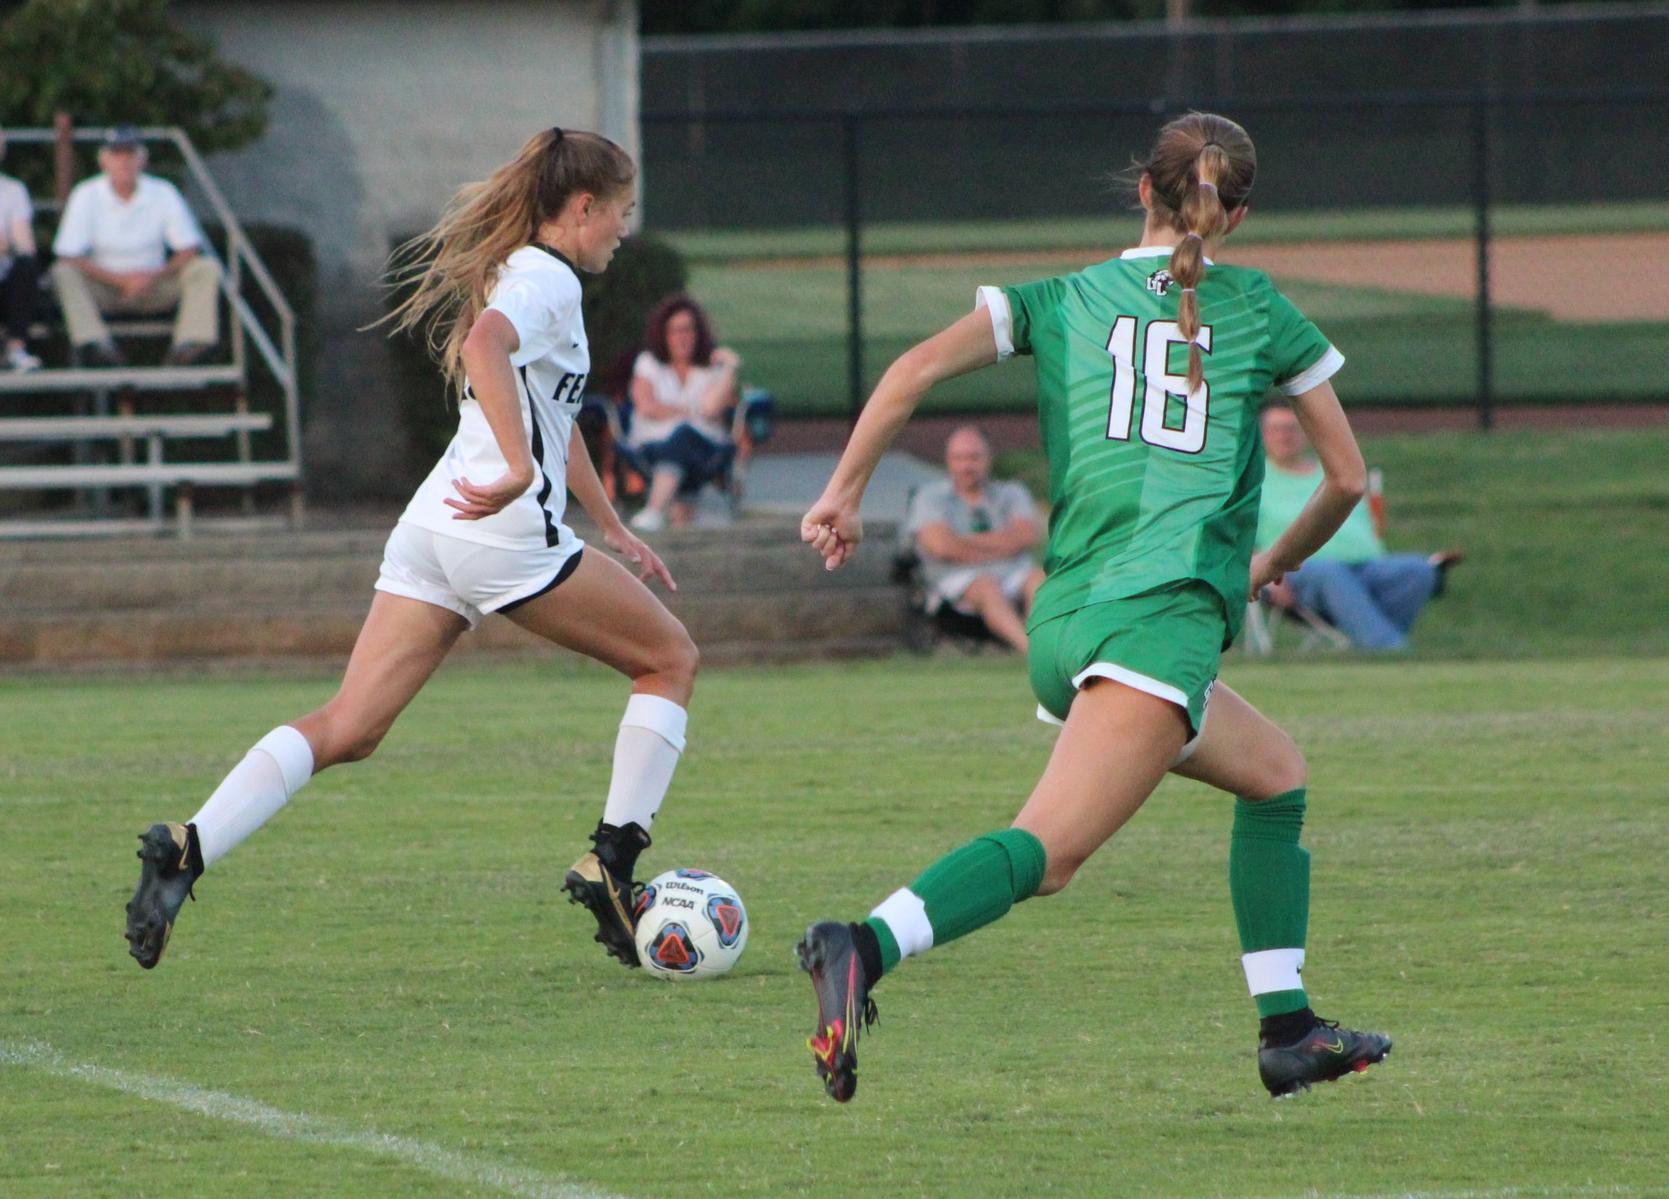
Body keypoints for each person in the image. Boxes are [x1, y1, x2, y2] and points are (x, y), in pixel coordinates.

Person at [794, 111, 1391, 1103]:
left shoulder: (1063, 296)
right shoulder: (1260, 309)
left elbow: (909, 371)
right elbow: (1345, 478)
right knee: (1051, 852)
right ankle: (861, 942)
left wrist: (842, 493)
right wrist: (1268, 563)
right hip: (1154, 620)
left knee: (1274, 776)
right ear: (1236, 215)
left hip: (1063, 616)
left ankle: (1289, 1029)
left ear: (1143, 191)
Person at [125, 128, 698, 976]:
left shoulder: (523, 270)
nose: (625, 226)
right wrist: (517, 469)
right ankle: (612, 860)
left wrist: (609, 523)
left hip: (434, 530)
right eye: (623, 209)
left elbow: (553, 415)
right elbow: (484, 348)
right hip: (500, 534)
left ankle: (189, 844)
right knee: (670, 660)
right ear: (583, 207)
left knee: (349, 726)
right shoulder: (547, 279)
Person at [1257, 402, 1459, 651]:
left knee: (1419, 571)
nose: (1284, 436)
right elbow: (1237, 540)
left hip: (1366, 566)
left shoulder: (1334, 473)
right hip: (1300, 571)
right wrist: (1264, 575)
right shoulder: (1254, 481)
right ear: (1263, 435)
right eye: (1276, 429)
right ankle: (1390, 650)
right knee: (1330, 572)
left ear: (1306, 433)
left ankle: (1377, 645)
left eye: (1291, 428)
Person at [50, 126, 222, 367]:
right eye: (116, 155)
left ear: (142, 160)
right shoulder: (86, 194)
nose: (124, 162)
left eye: (130, 155)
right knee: (62, 274)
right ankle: (95, 346)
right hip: (104, 288)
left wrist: (151, 278)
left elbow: (188, 248)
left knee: (205, 267)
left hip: (154, 286)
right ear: (104, 161)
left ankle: (190, 345)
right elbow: (68, 254)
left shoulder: (163, 192)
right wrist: (121, 281)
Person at [905, 425, 1045, 651]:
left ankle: (1042, 645)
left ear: (988, 459)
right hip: (955, 580)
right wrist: (1004, 542)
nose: (966, 466)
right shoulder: (930, 497)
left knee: (1040, 579)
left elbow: (1026, 536)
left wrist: (961, 541)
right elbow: (941, 547)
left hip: (1012, 573)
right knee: (985, 586)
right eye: (959, 458)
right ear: (948, 460)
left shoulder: (1011, 492)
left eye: (974, 458)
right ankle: (1030, 650)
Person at [625, 294, 741, 531]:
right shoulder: (649, 363)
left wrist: (729, 368)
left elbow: (710, 409)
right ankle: (667, 509)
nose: (682, 337)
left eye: (688, 330)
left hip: (703, 445)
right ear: (664, 334)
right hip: (654, 442)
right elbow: (646, 406)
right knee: (680, 439)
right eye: (675, 331)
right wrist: (685, 412)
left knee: (685, 436)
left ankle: (655, 510)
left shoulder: (710, 369)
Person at [0, 127, 43, 372]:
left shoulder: (13, 190)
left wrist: (7, 245)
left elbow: (25, 245)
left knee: (26, 266)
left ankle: (16, 349)